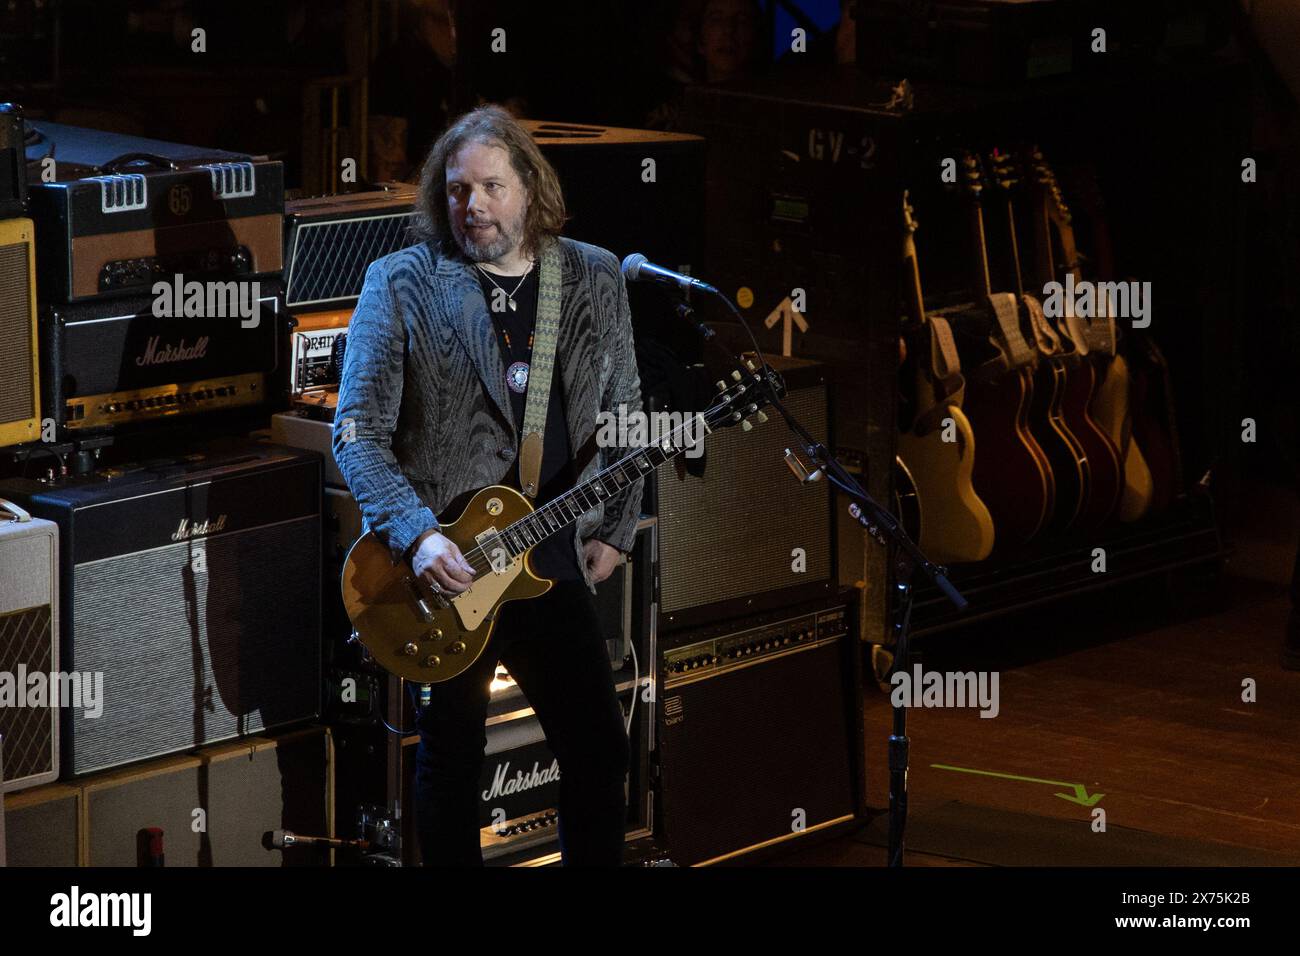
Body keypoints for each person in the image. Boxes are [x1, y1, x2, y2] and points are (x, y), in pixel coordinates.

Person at [333, 105, 644, 865]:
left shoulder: (593, 273)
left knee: (601, 749)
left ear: (531, 189)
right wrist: (418, 532)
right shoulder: (402, 281)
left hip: (549, 558)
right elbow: (357, 433)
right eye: (456, 189)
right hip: (446, 566)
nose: (471, 206)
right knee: (450, 760)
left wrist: (615, 527)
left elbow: (625, 412)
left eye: (490, 188)